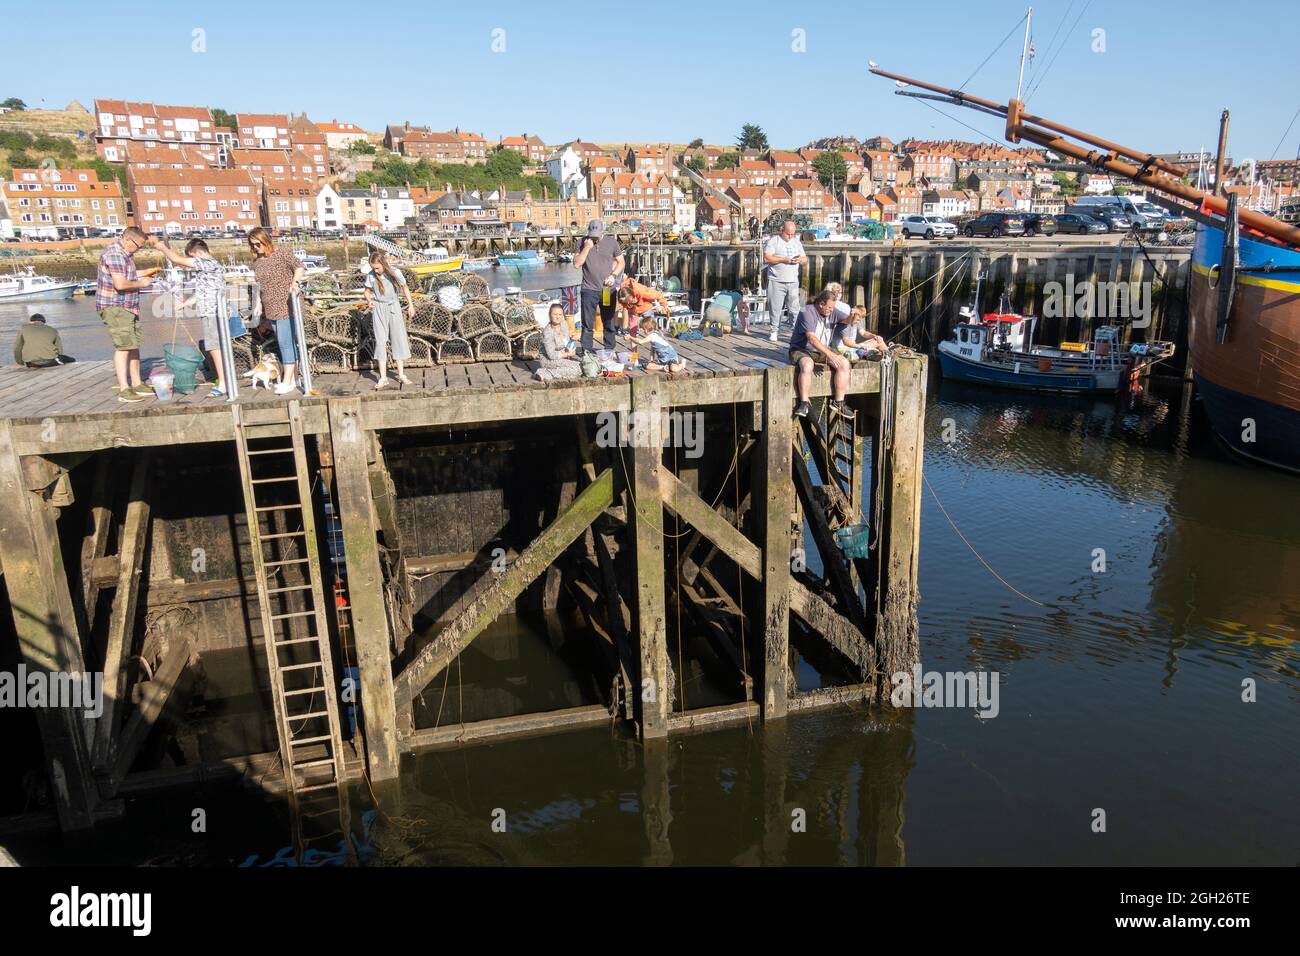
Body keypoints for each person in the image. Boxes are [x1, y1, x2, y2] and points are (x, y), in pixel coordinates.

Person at [151, 237, 229, 397]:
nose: (192, 260)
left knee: (215, 348)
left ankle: (224, 384)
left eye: (191, 256)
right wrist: (184, 304)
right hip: (212, 310)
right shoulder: (211, 267)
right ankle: (224, 380)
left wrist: (161, 247)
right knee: (216, 347)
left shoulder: (207, 263)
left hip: (212, 312)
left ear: (197, 252)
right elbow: (203, 291)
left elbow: (175, 259)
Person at [96, 225, 156, 402]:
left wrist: (143, 273)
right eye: (139, 245)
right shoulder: (115, 254)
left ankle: (137, 383)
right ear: (128, 239)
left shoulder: (126, 255)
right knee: (123, 346)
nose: (139, 249)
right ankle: (124, 389)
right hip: (116, 306)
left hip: (129, 306)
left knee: (133, 344)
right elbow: (120, 284)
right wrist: (142, 283)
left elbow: (125, 274)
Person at [247, 226, 306, 395]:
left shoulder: (281, 254)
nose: (256, 248)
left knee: (285, 343)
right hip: (270, 306)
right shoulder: (257, 261)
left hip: (286, 305)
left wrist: (295, 283)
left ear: (266, 240)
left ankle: (287, 381)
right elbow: (259, 285)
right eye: (253, 245)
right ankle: (294, 378)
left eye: (258, 244)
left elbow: (299, 267)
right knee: (286, 343)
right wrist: (258, 304)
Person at [789, 289, 853, 419]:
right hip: (801, 349)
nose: (831, 310)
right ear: (821, 304)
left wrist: (853, 317)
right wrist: (830, 355)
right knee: (807, 365)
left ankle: (838, 402)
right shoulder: (806, 311)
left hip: (822, 349)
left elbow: (846, 321)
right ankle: (804, 402)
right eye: (829, 307)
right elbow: (811, 339)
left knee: (844, 363)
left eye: (833, 308)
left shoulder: (832, 310)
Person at [362, 252, 415, 389]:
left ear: (383, 264)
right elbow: (366, 291)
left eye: (377, 267)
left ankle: (401, 374)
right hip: (379, 307)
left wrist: (411, 305)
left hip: (394, 306)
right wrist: (369, 301)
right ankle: (383, 377)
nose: (375, 270)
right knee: (380, 341)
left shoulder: (395, 272)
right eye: (373, 268)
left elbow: (405, 288)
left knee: (398, 338)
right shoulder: (371, 276)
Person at [571, 219, 623, 355]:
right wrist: (587, 247)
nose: (594, 237)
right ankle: (586, 352)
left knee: (608, 321)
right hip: (588, 290)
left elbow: (621, 262)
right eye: (591, 234)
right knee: (587, 324)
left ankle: (609, 350)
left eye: (596, 235)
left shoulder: (612, 242)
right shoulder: (582, 242)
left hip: (606, 290)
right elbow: (576, 264)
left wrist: (614, 275)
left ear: (603, 232)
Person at [764, 219, 807, 343]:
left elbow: (805, 259)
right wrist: (784, 260)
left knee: (795, 308)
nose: (790, 236)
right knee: (775, 308)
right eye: (788, 233)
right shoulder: (774, 241)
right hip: (776, 280)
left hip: (793, 281)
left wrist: (799, 260)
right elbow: (767, 258)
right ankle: (774, 331)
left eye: (792, 234)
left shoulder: (796, 242)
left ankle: (796, 331)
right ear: (782, 230)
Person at [534, 303, 582, 381]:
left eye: (560, 314)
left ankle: (548, 373)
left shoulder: (564, 324)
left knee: (580, 366)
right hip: (548, 360)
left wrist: (572, 339)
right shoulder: (548, 332)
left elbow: (565, 341)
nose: (558, 317)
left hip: (562, 356)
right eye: (555, 314)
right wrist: (568, 354)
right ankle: (546, 373)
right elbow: (551, 355)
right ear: (550, 315)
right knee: (577, 369)